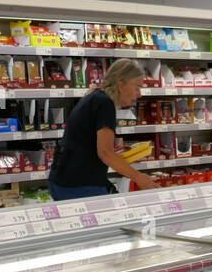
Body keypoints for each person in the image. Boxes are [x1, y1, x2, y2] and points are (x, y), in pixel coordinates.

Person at [49, 58, 156, 200]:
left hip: (65, 180)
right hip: (78, 185)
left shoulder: (95, 97)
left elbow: (89, 144)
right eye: (137, 87)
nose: (139, 94)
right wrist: (138, 177)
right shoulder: (105, 104)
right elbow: (105, 153)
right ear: (121, 85)